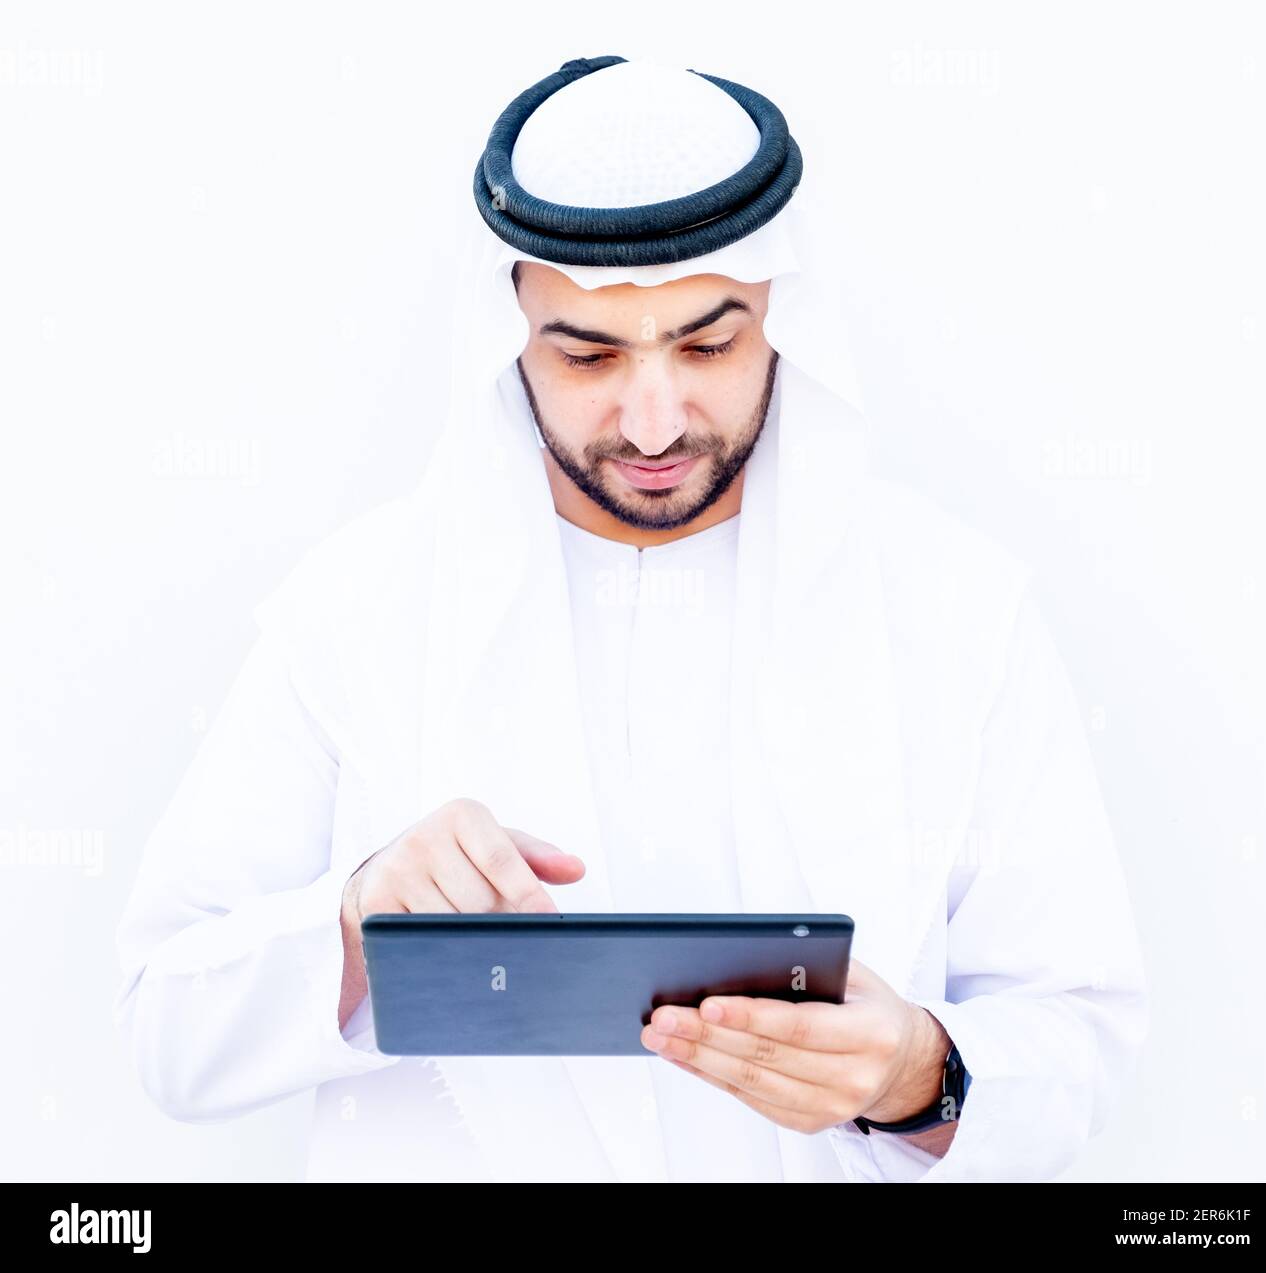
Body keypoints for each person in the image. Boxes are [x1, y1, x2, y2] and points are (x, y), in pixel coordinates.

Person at [113, 55, 1149, 1183]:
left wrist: (916, 1071)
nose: (652, 421)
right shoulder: (357, 613)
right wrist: (359, 923)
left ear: (779, 320)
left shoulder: (956, 612)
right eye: (589, 354)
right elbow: (167, 1032)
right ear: (510, 335)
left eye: (707, 346)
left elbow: (1082, 1037)